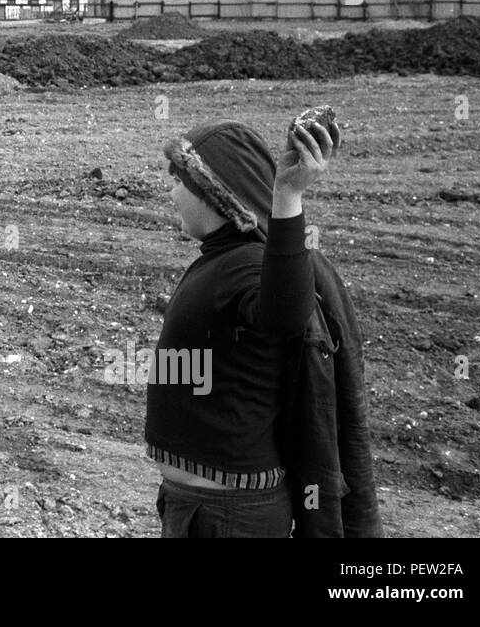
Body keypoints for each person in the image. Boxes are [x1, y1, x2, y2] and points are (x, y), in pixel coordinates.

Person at [145, 117, 381, 538]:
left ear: (213, 189)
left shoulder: (248, 265)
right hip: (201, 507)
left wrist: (287, 195)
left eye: (178, 180)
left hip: (229, 516)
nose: (171, 191)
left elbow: (285, 316)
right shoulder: (222, 258)